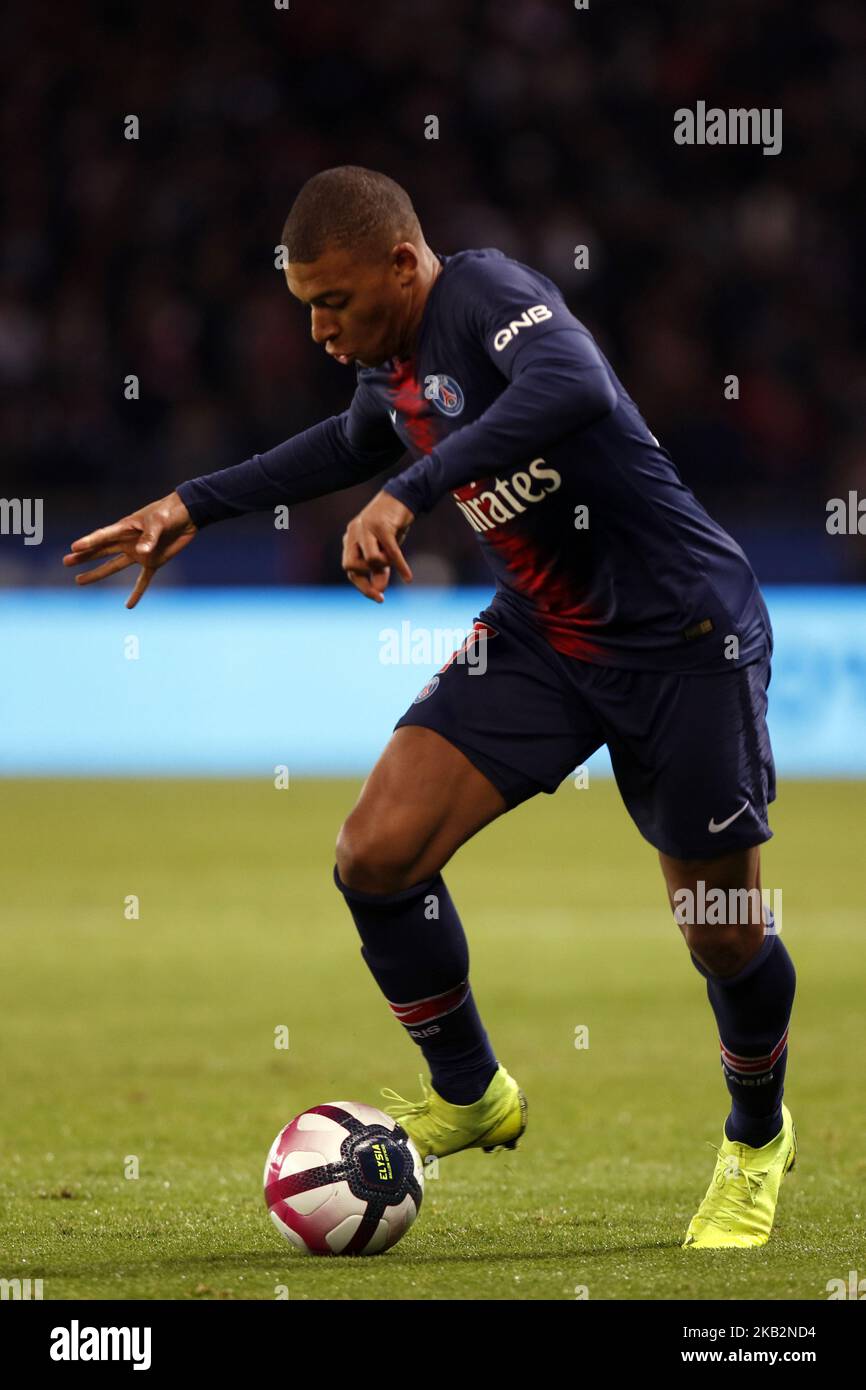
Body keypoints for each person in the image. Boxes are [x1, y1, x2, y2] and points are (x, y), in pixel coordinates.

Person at [64, 165, 797, 1249]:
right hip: (547, 635)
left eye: (335, 301)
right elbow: (341, 443)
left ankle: (753, 1139)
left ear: (402, 266)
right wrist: (191, 504)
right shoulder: (390, 363)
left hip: (683, 638)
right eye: (305, 304)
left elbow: (574, 386)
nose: (318, 328)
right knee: (376, 851)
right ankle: (468, 1091)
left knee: (721, 931)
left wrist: (408, 491)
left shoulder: (486, 296)